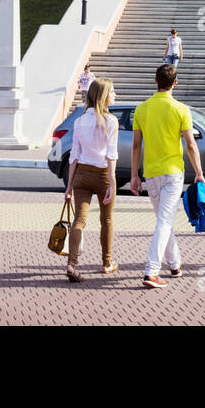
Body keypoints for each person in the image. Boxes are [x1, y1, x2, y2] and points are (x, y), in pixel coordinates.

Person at [131, 64, 205, 289]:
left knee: (164, 221)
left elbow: (136, 146)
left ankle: (174, 264)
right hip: (173, 173)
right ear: (175, 83)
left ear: (155, 81)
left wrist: (134, 175)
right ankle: (151, 272)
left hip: (150, 174)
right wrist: (200, 173)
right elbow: (191, 144)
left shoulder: (141, 109)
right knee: (164, 221)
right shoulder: (181, 109)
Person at [63, 78, 119, 282]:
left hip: (81, 176)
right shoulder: (111, 121)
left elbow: (74, 155)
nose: (115, 96)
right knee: (107, 220)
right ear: (103, 96)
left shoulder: (79, 121)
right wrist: (112, 183)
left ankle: (72, 264)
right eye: (112, 92)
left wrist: (68, 186)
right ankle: (107, 263)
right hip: (103, 174)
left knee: (79, 220)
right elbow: (111, 155)